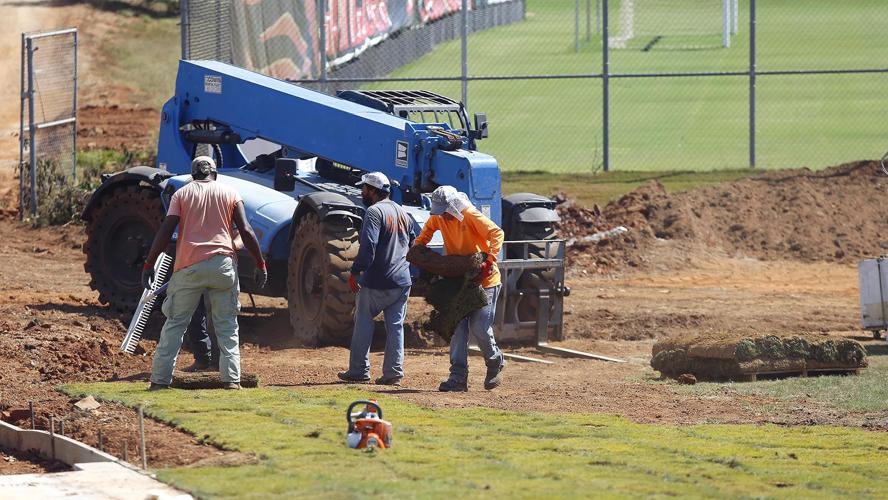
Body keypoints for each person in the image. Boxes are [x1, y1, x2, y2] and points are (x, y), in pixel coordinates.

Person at [142, 156, 267, 391]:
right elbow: (246, 230)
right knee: (227, 325)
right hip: (223, 266)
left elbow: (166, 230)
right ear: (215, 174)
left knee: (175, 323)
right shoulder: (230, 192)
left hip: (188, 267)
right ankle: (231, 380)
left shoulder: (182, 194)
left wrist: (149, 263)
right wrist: (260, 263)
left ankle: (159, 381)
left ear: (193, 176)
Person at [413, 186, 506, 392]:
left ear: (453, 207)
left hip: (485, 280)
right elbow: (426, 232)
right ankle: (457, 377)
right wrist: (418, 247)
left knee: (480, 326)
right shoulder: (439, 217)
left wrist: (489, 260)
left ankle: (494, 361)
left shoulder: (469, 215)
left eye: (445, 211)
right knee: (456, 329)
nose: (442, 216)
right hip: (459, 280)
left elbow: (496, 233)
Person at [338, 172, 414, 386]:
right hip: (402, 281)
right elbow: (413, 242)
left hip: (377, 280)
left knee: (363, 322)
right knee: (396, 327)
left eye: (364, 188)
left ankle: (359, 370)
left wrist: (356, 272)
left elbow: (369, 246)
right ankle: (393, 373)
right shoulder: (402, 212)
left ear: (372, 190)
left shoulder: (373, 212)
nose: (362, 192)